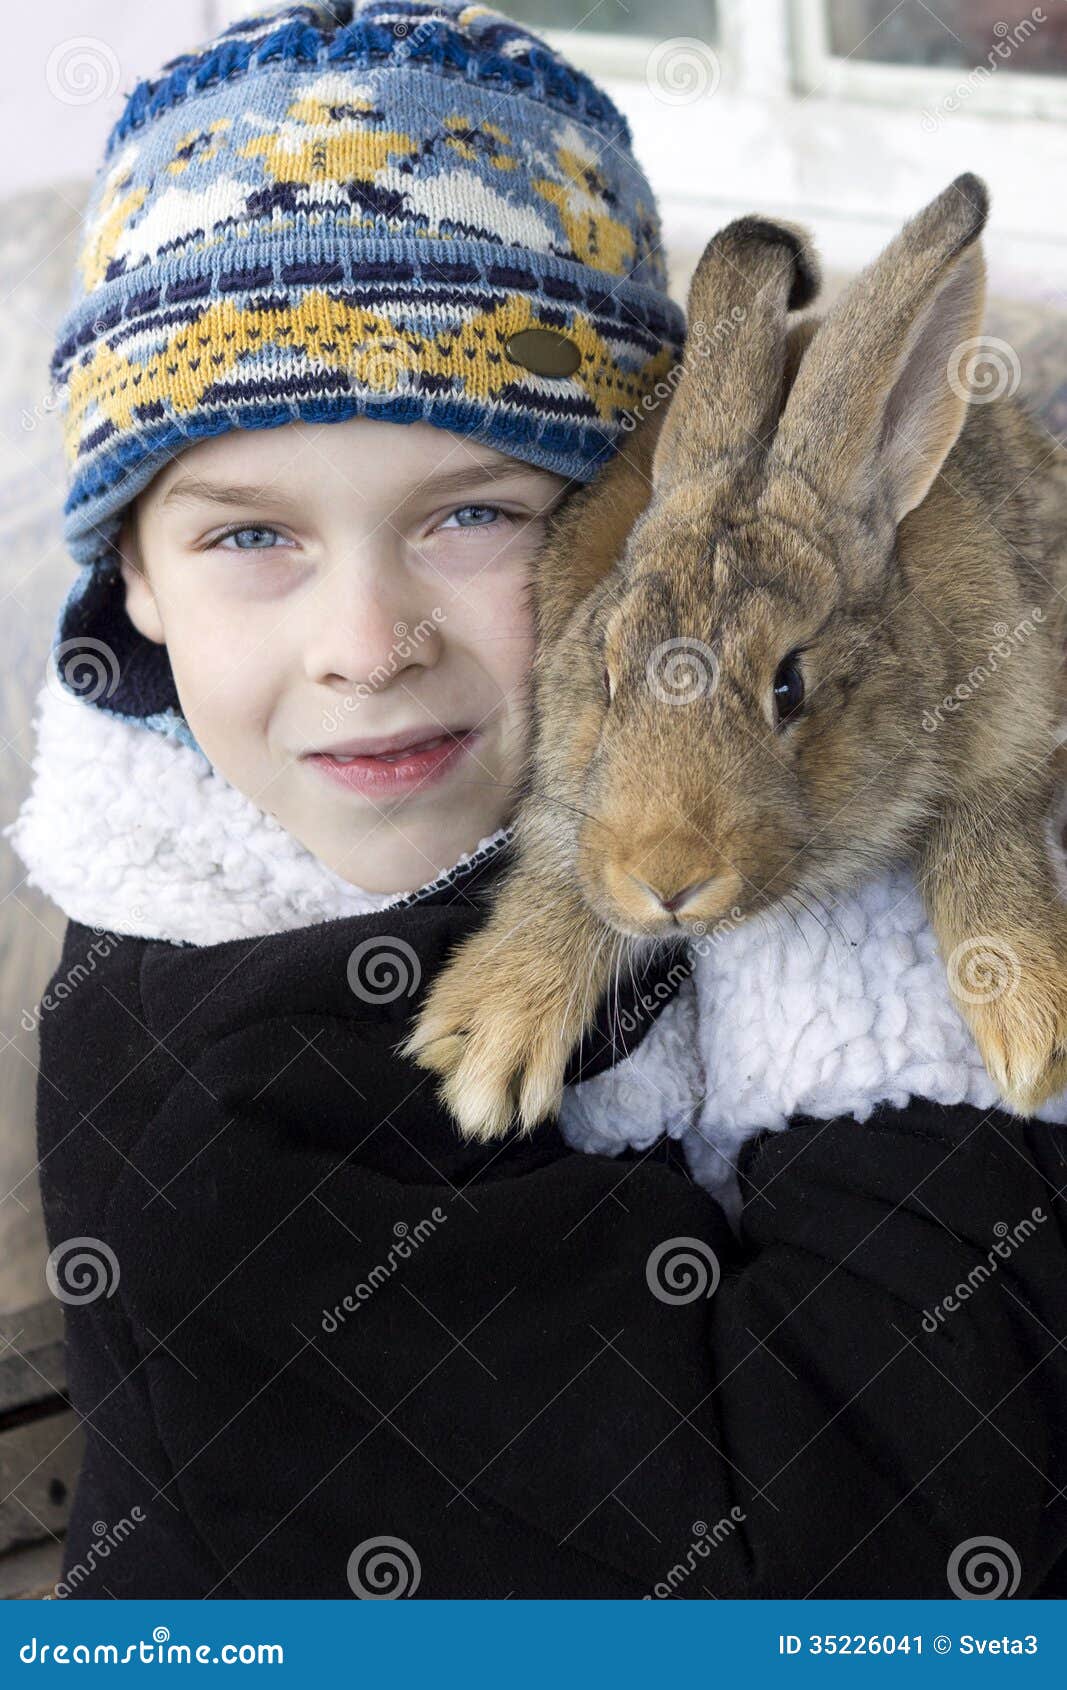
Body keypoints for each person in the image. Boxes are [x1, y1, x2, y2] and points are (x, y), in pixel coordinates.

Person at [7, 0, 1067, 1600]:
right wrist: (883, 970)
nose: (368, 646)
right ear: (134, 582)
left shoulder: (600, 753)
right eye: (248, 536)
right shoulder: (220, 1081)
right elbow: (863, 1561)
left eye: (473, 515)